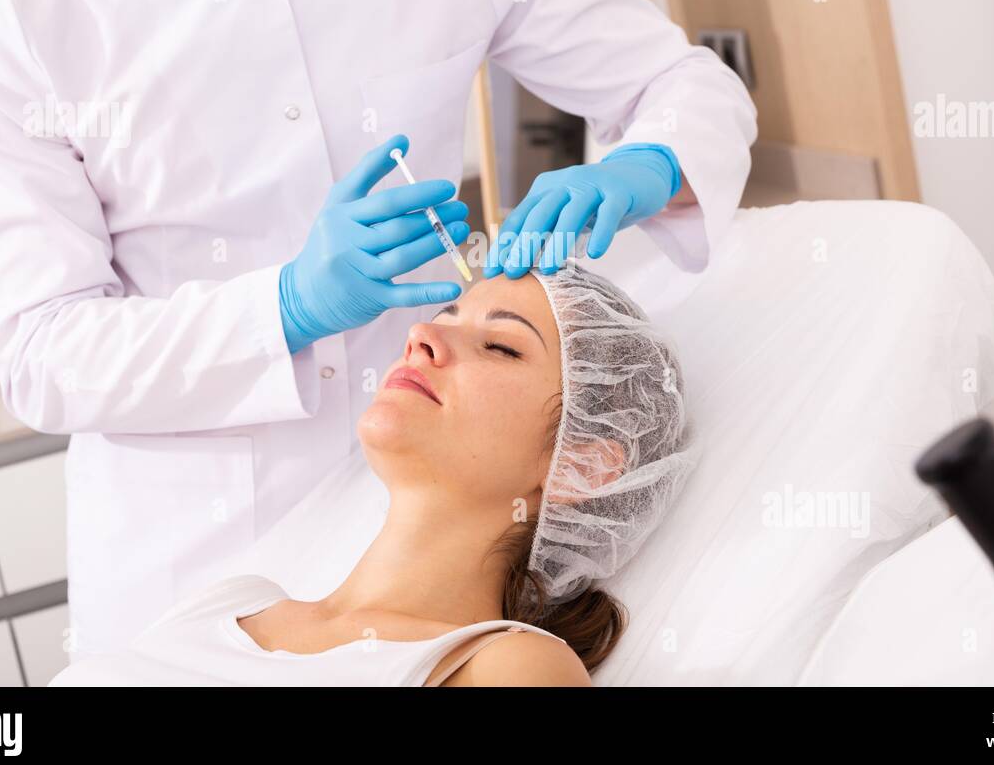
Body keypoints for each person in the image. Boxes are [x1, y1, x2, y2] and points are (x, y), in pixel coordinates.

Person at [0, 0, 754, 658]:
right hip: (189, 556)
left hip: (436, 547)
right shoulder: (21, 8)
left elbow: (682, 84)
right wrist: (283, 309)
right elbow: (43, 354)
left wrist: (649, 163)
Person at [49, 262, 695, 685]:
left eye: (500, 345)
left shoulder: (503, 665)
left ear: (581, 463)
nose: (419, 336)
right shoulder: (232, 601)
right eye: (444, 319)